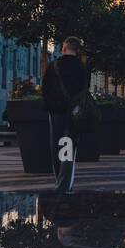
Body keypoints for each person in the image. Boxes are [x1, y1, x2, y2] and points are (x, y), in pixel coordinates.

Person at [41, 36, 88, 194]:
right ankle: (64, 184)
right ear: (77, 50)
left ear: (64, 48)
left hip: (56, 113)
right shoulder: (81, 68)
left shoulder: (53, 66)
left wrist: (51, 107)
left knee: (56, 145)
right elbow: (83, 93)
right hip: (73, 113)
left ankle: (59, 180)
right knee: (68, 146)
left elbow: (45, 90)